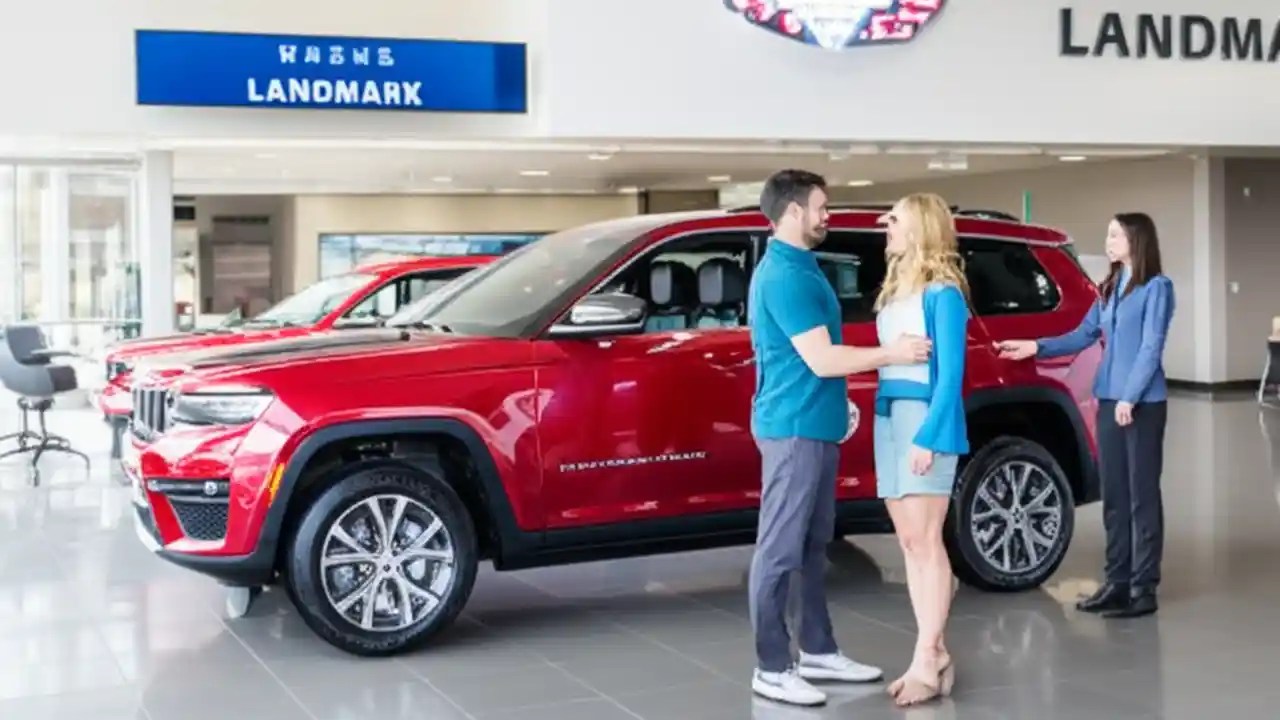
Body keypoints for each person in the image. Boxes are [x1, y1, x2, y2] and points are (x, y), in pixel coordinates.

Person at [747, 169, 932, 707]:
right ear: (793, 212)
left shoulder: (804, 267)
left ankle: (818, 650)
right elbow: (822, 358)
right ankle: (772, 665)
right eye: (821, 207)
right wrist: (892, 355)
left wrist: (839, 402)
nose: (828, 215)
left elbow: (814, 359)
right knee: (779, 550)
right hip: (793, 429)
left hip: (816, 421)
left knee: (810, 544)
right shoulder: (785, 276)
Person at [996, 212, 1174, 619]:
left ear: (1136, 239)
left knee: (1141, 496)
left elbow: (1151, 348)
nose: (1108, 240)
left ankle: (1143, 590)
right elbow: (1083, 335)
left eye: (1115, 234)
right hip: (1110, 401)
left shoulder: (1157, 288)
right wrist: (1034, 346)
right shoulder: (1109, 288)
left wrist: (1130, 397)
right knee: (1115, 495)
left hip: (1142, 404)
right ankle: (1117, 583)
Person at [872, 194, 969, 706]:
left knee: (927, 542)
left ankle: (927, 656)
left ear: (920, 228)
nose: (885, 225)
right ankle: (933, 651)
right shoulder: (894, 291)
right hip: (888, 417)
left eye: (895, 219)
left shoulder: (944, 293)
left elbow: (950, 375)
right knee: (910, 543)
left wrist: (928, 437)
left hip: (923, 420)